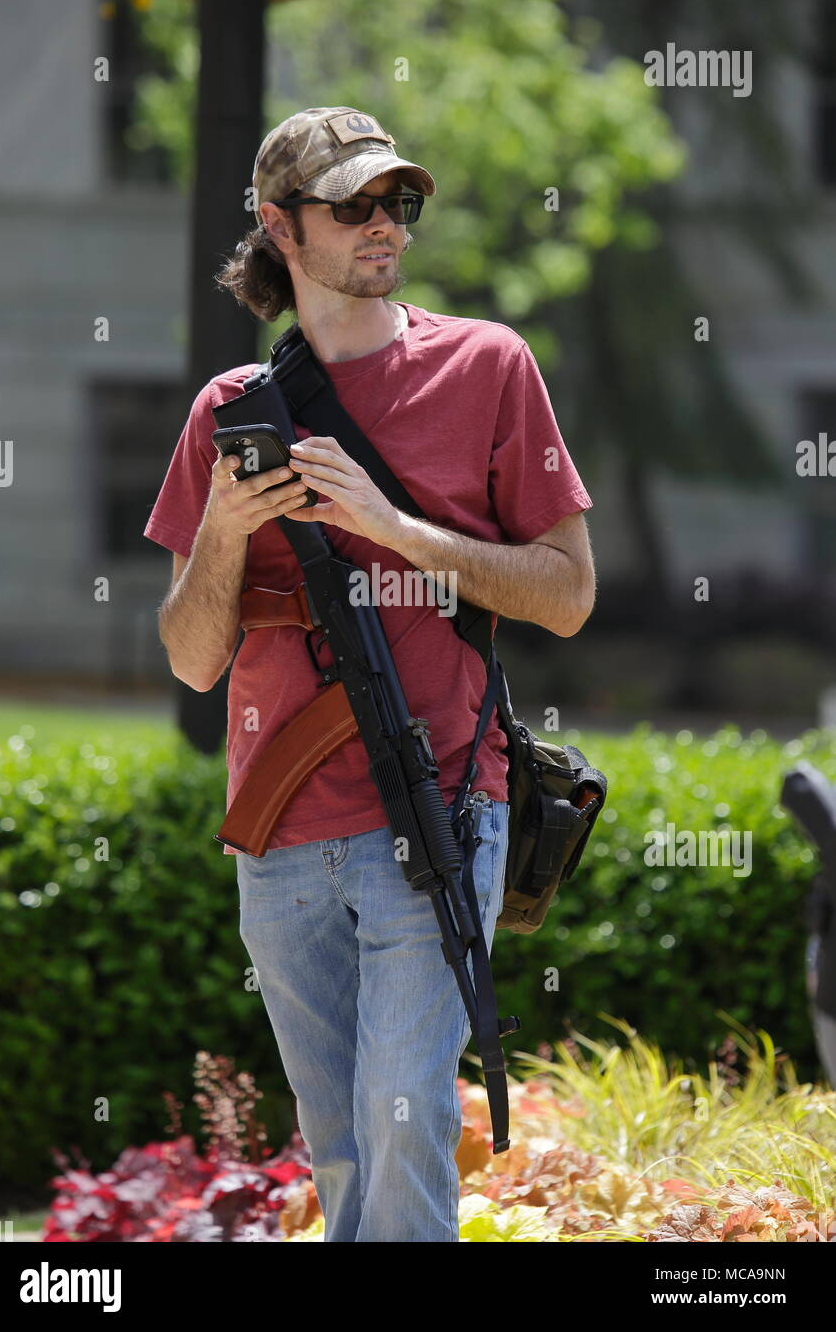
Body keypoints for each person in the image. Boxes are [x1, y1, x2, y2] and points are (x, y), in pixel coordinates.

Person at [144, 105, 596, 1242]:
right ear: (279, 227)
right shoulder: (227, 415)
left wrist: (396, 527)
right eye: (353, 205)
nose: (385, 224)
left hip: (437, 805)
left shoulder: (489, 365)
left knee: (402, 1125)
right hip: (281, 833)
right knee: (342, 1147)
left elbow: (568, 593)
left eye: (398, 200)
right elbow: (193, 659)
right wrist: (226, 530)